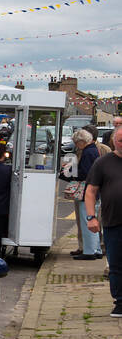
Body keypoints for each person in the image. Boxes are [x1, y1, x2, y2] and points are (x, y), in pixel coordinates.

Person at [85, 127, 122, 317]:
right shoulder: (102, 163)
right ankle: (120, 301)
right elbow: (91, 191)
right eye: (120, 140)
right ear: (114, 141)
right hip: (113, 221)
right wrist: (91, 217)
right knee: (115, 263)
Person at [64, 129, 102, 260]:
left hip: (87, 192)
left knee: (87, 221)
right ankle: (96, 249)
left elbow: (84, 173)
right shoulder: (94, 150)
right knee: (93, 220)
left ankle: (89, 251)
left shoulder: (87, 152)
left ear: (81, 141)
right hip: (95, 191)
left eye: (76, 142)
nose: (76, 145)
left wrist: (68, 173)